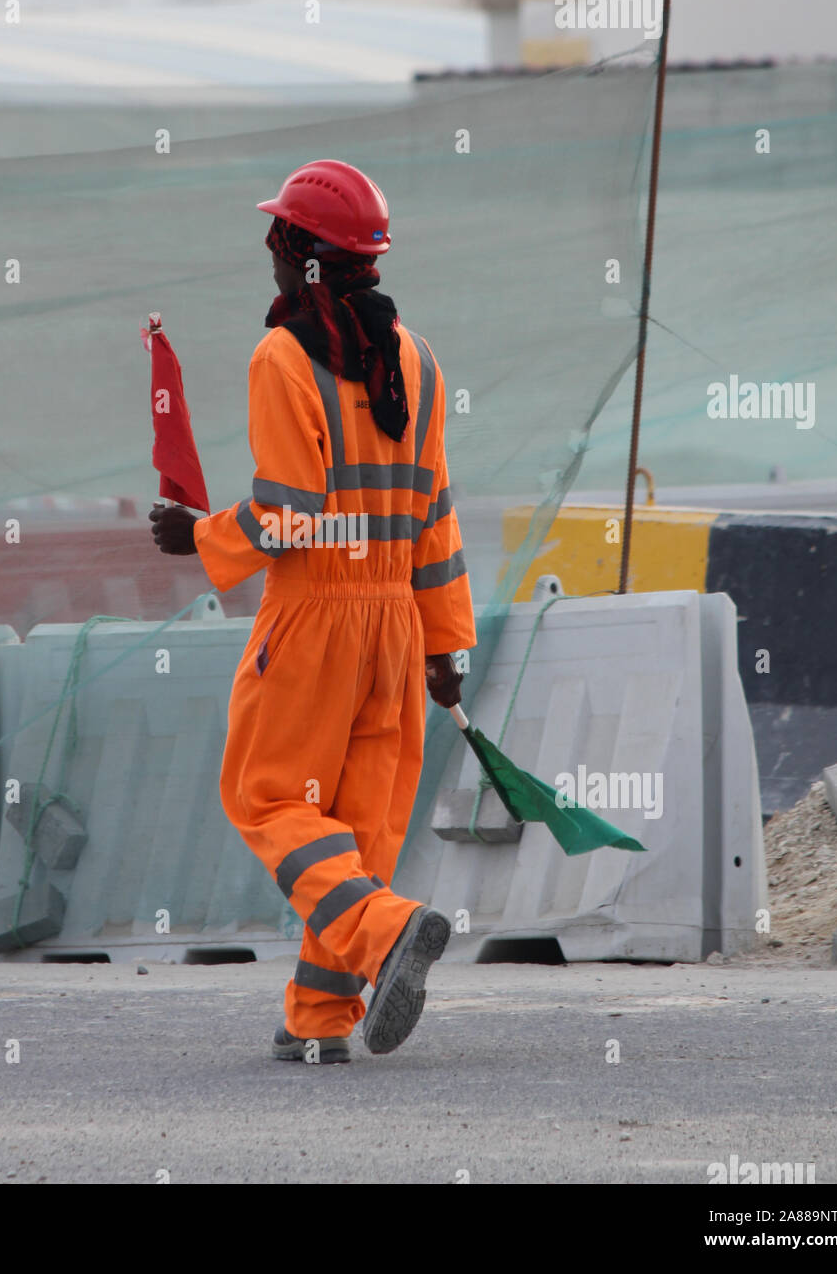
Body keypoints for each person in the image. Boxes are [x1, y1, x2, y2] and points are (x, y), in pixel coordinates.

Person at [151, 159, 476, 1062]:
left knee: (270, 799)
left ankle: (386, 930)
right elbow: (434, 511)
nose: (269, 256)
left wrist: (200, 539)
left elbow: (289, 512)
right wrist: (445, 642)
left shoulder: (282, 355)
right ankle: (321, 1019)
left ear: (302, 256)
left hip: (316, 620)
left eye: (278, 240)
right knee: (356, 829)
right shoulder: (417, 359)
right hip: (398, 629)